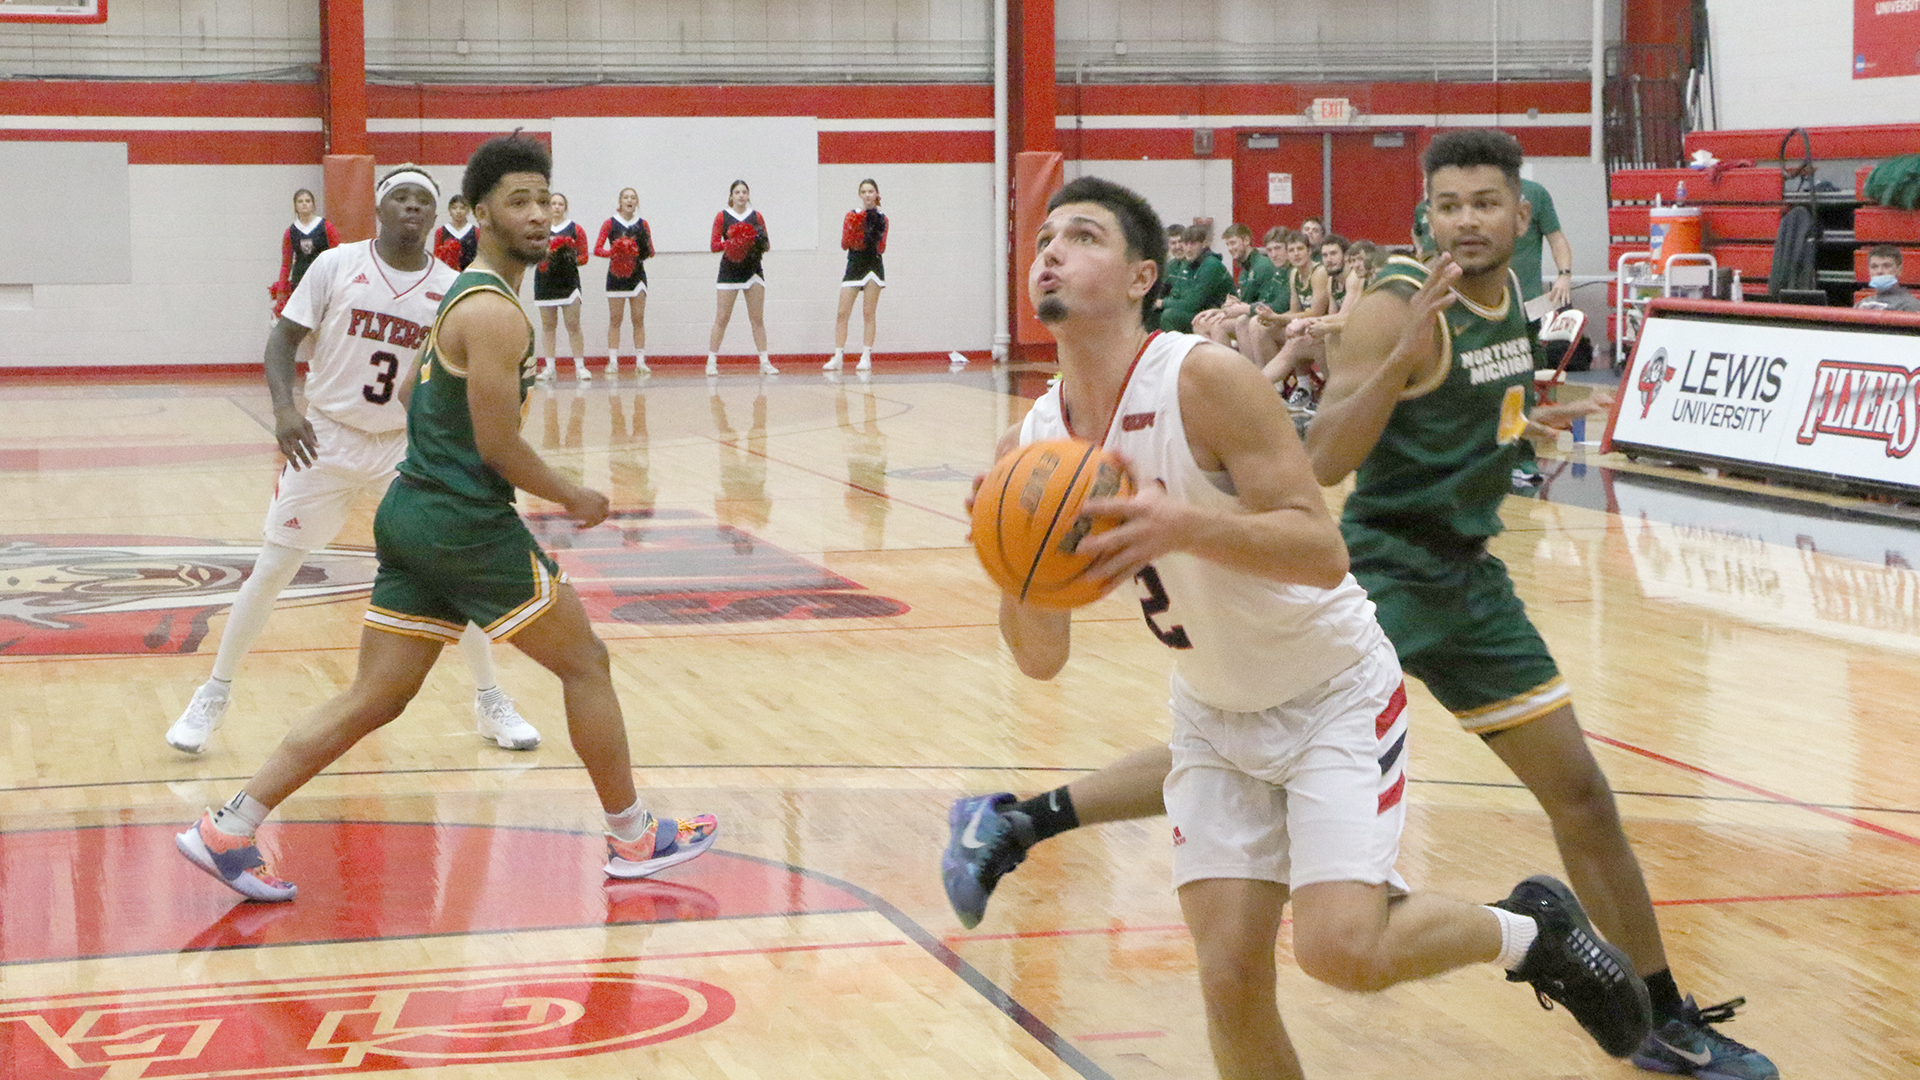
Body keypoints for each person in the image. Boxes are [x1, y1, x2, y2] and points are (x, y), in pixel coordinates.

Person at [944, 133, 1778, 1080]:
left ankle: (1529, 933)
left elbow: (1320, 544)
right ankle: (1028, 819)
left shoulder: (1199, 378)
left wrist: (1182, 525)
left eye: (1081, 236)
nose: (1050, 251)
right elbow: (1040, 661)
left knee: (1341, 949)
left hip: (1331, 687)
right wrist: (1006, 563)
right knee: (1227, 978)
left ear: (1143, 276)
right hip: (1215, 715)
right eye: (1044, 236)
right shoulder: (1034, 437)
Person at [173, 135, 718, 904]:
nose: (537, 215)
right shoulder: (493, 311)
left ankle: (229, 828)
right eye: (518, 201)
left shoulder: (457, 295)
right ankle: (634, 837)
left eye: (544, 200)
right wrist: (574, 495)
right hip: (463, 522)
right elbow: (497, 445)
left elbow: (408, 401)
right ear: (481, 215)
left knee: (376, 696)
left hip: (412, 511)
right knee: (585, 663)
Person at [167, 166, 541, 757]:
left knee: (454, 572)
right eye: (401, 197)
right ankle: (213, 693)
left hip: (404, 446)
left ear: (437, 214)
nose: (412, 207)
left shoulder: (452, 287)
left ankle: (490, 699)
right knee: (273, 569)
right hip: (326, 437)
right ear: (379, 207)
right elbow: (281, 341)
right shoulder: (335, 264)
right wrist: (285, 410)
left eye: (424, 200)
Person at [706, 180, 776, 376]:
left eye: (744, 192)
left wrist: (751, 241)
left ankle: (764, 362)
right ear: (731, 196)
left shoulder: (757, 216)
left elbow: (766, 244)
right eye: (737, 192)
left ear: (748, 195)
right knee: (721, 318)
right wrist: (733, 242)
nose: (741, 195)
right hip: (729, 271)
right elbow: (713, 245)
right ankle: (711, 361)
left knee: (757, 319)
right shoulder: (722, 216)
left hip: (753, 271)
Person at [826, 179, 888, 374]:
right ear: (860, 194)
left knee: (868, 313)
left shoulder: (883, 218)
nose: (868, 195)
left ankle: (866, 356)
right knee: (842, 313)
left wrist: (871, 233)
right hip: (854, 265)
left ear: (877, 194)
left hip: (873, 266)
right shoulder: (851, 215)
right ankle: (838, 356)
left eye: (871, 191)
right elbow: (844, 243)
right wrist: (857, 232)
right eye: (864, 191)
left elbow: (882, 247)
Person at [596, 187, 654, 375]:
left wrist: (637, 250)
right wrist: (616, 252)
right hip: (616, 276)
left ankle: (640, 361)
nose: (630, 200)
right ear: (620, 201)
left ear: (637, 202)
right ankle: (613, 361)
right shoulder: (610, 223)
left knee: (638, 319)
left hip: (637, 277)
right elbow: (597, 249)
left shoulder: (643, 224)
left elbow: (651, 251)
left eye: (633, 198)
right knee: (615, 320)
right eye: (626, 197)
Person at [534, 192, 590, 382]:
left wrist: (569, 259)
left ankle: (580, 367)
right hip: (545, 281)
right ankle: (549, 367)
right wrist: (545, 253)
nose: (556, 207)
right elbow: (530, 253)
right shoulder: (539, 228)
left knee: (573, 325)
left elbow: (584, 256)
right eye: (553, 203)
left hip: (569, 282)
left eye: (560, 204)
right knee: (548, 326)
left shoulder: (576, 229)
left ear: (565, 207)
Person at [272, 188, 337, 317]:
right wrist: (281, 292)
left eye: (307, 201)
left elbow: (337, 255)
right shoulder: (290, 232)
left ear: (313, 204)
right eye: (300, 201)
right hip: (300, 281)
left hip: (323, 280)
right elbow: (286, 264)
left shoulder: (326, 226)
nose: (304, 204)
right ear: (295, 206)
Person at [1158, 223, 1231, 332]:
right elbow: (1178, 293)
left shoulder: (1211, 264)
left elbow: (1194, 302)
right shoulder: (1188, 262)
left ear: (1203, 245)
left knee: (1170, 315)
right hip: (1199, 310)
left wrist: (1162, 303)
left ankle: (1179, 348)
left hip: (1215, 311)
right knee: (1153, 312)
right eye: (1186, 244)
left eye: (1192, 244)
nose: (1188, 249)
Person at [1856, 246, 1920, 312]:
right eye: (1874, 266)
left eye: (1886, 266)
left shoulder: (1912, 305)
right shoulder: (1862, 304)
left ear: (1899, 270)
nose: (1879, 271)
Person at [434, 194, 478, 271]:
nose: (458, 211)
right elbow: (437, 257)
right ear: (449, 211)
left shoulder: (475, 232)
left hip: (470, 274)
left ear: (468, 211)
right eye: (454, 208)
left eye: (462, 208)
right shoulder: (441, 231)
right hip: (447, 274)